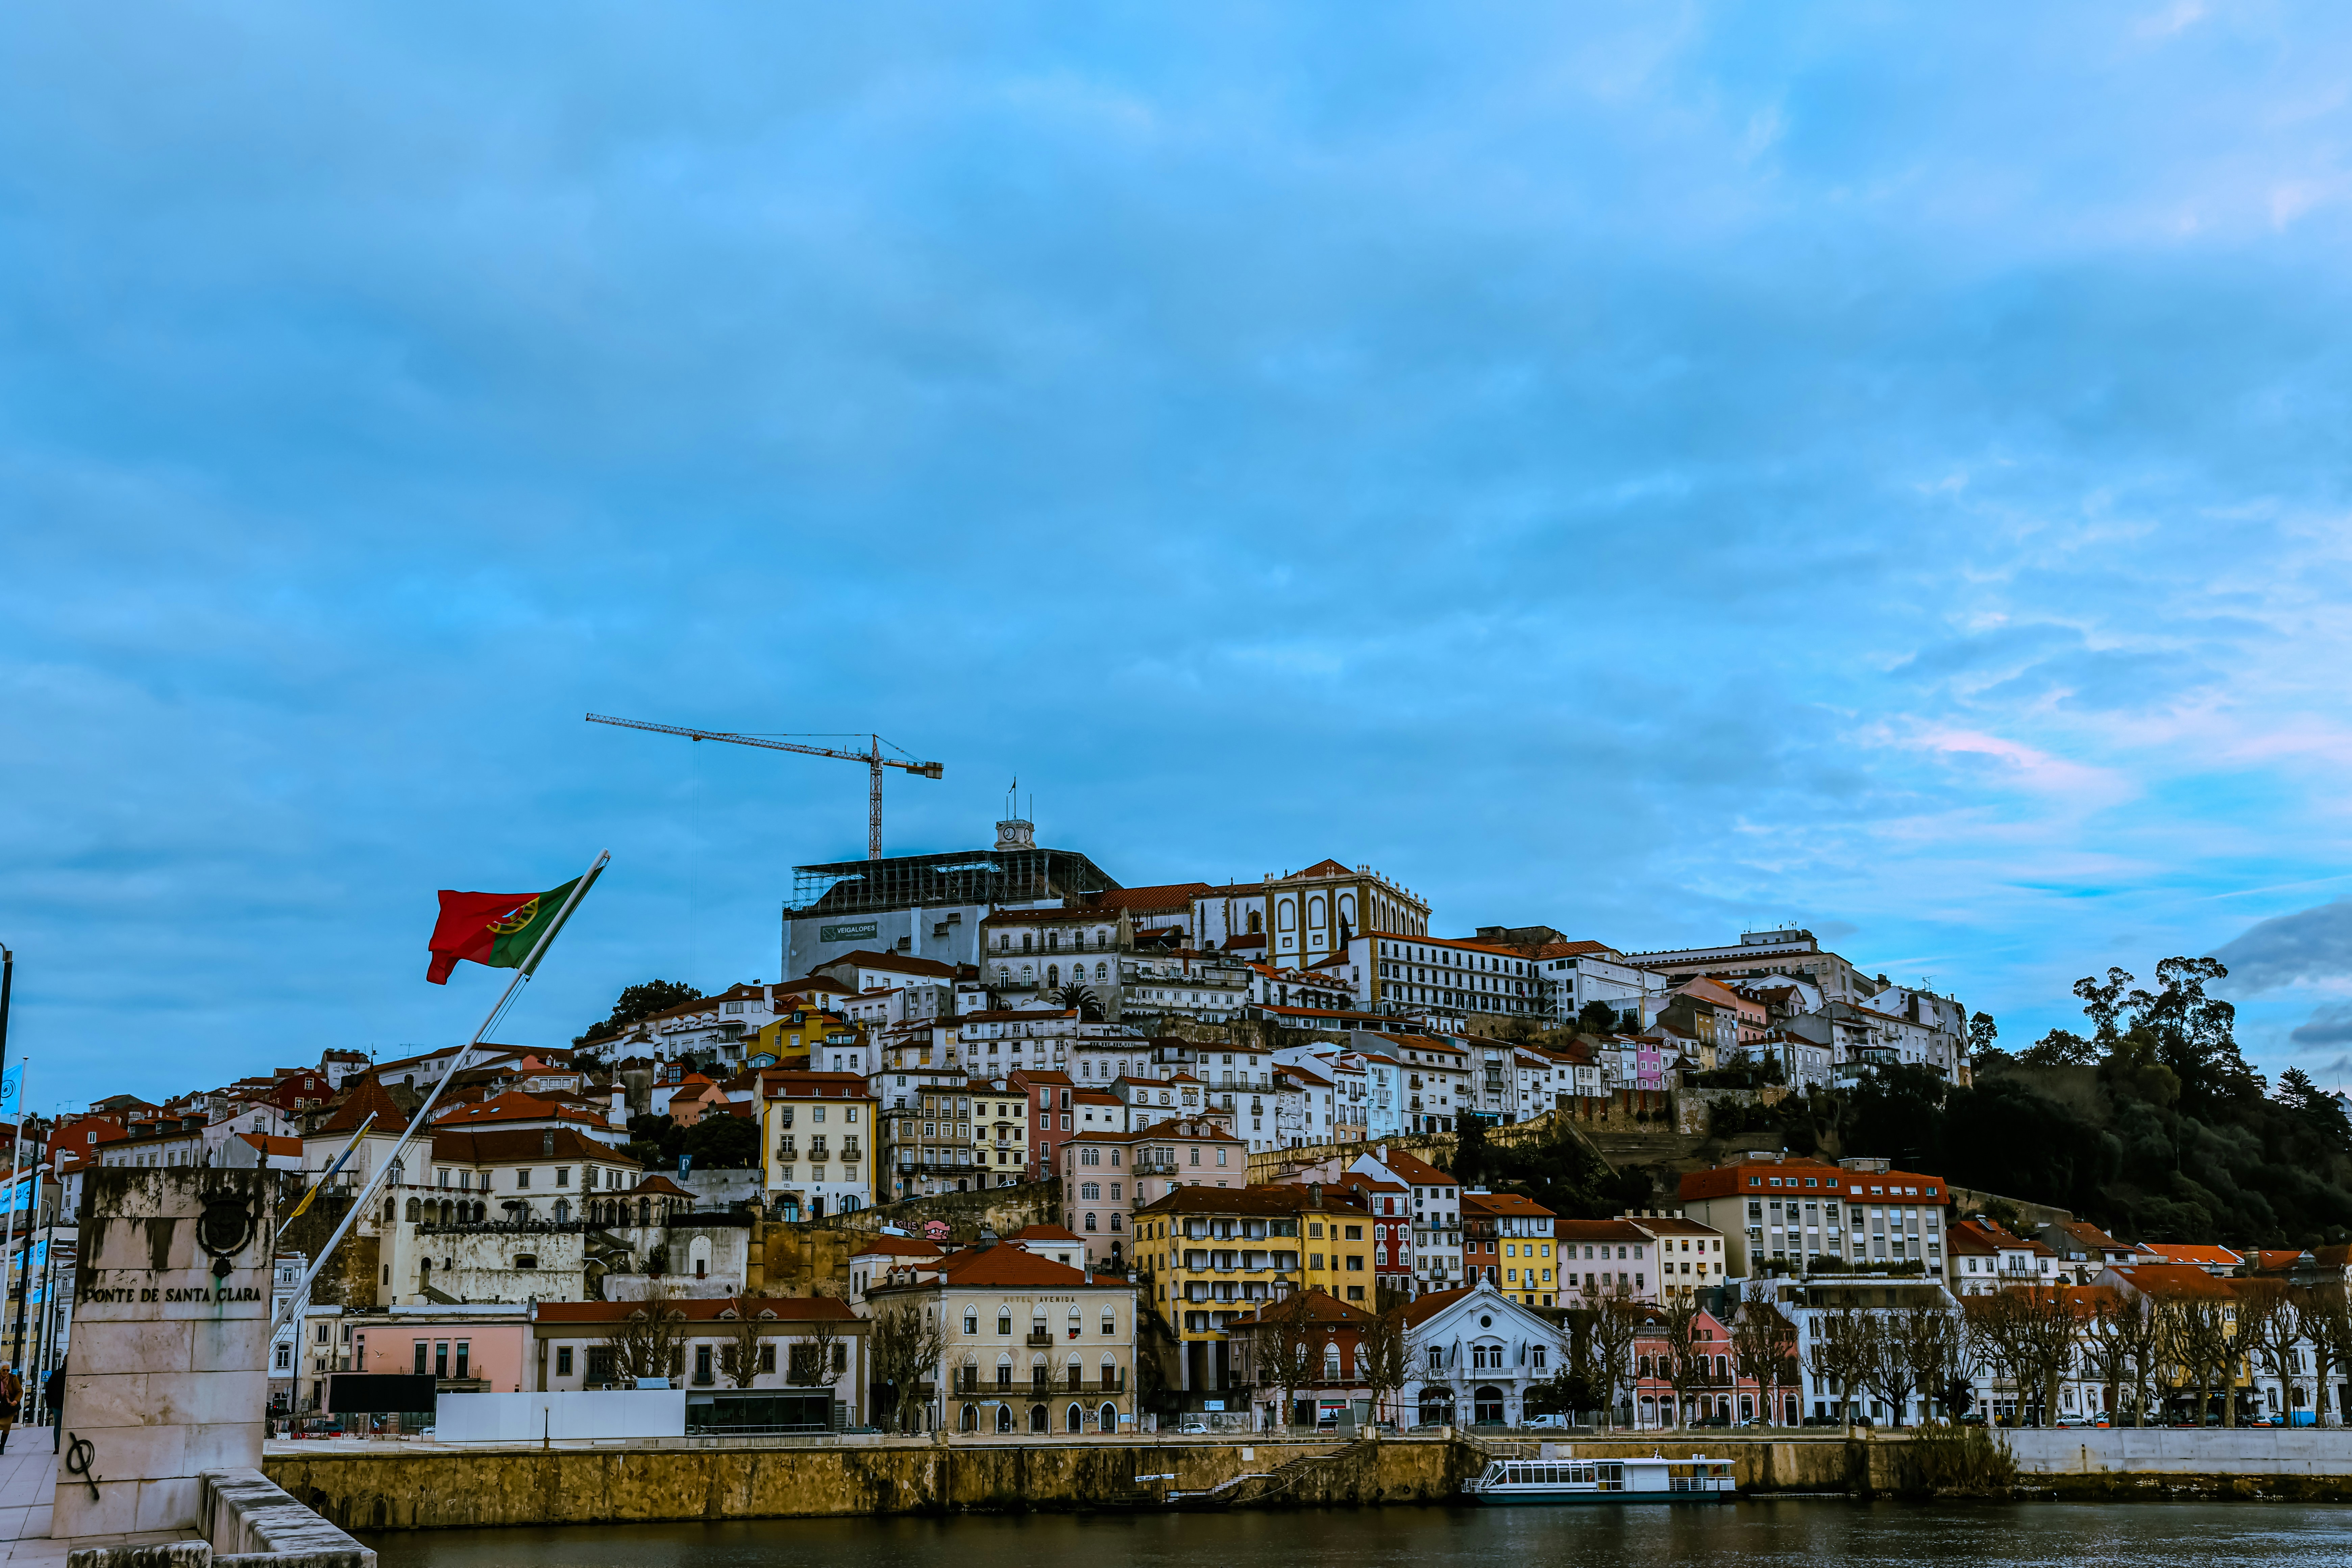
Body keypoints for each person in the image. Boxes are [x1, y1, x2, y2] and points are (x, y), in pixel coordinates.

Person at [45, 1362, 64, 1453]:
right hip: (71, 1405)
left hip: (57, 1404)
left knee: (58, 1425)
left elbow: (48, 1390)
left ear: (63, 1362)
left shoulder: (56, 1374)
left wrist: (49, 1405)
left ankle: (57, 1448)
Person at [0, 1366, 19, 1455]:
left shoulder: (13, 1379)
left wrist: (16, 1400)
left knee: (6, 1427)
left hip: (10, 1406)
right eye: (4, 1370)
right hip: (1, 1405)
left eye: (8, 1370)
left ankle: (2, 1446)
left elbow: (20, 1391)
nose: (6, 1372)